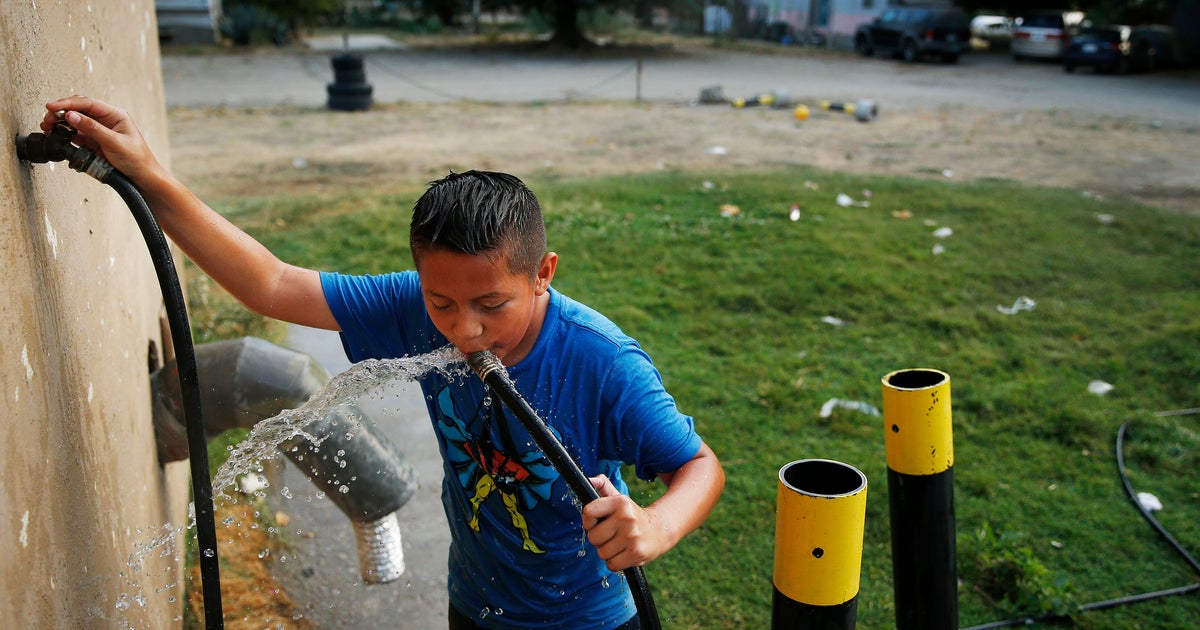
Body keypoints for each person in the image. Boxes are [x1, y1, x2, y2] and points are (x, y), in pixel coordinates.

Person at [44, 97, 725, 629]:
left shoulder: (601, 363)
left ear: (542, 273)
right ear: (420, 281)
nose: (464, 329)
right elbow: (271, 285)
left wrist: (657, 526)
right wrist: (147, 173)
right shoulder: (416, 307)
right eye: (442, 303)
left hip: (587, 621)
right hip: (477, 606)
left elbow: (698, 466)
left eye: (491, 304)